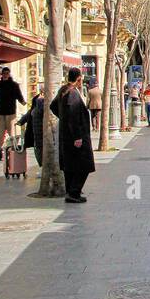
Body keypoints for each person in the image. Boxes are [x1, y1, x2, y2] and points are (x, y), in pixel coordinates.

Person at [53, 67, 95, 203]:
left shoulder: (63, 90)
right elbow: (73, 116)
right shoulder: (72, 93)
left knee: (70, 165)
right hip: (75, 136)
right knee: (84, 164)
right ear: (79, 78)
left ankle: (71, 192)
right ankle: (74, 191)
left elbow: (53, 106)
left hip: (66, 135)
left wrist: (62, 118)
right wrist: (77, 136)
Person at [0, 66, 25, 151]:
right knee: (0, 134)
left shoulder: (14, 85)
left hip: (10, 112)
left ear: (9, 74)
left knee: (11, 132)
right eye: (4, 73)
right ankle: (0, 150)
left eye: (7, 73)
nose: (5, 75)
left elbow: (19, 95)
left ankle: (12, 149)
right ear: (2, 74)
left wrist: (23, 101)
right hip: (1, 112)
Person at [17, 93, 46, 170]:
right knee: (39, 150)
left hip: (39, 133)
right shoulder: (37, 107)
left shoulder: (37, 106)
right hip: (38, 133)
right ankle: (42, 166)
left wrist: (20, 122)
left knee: (39, 150)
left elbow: (28, 114)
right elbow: (28, 114)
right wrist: (20, 121)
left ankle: (42, 167)